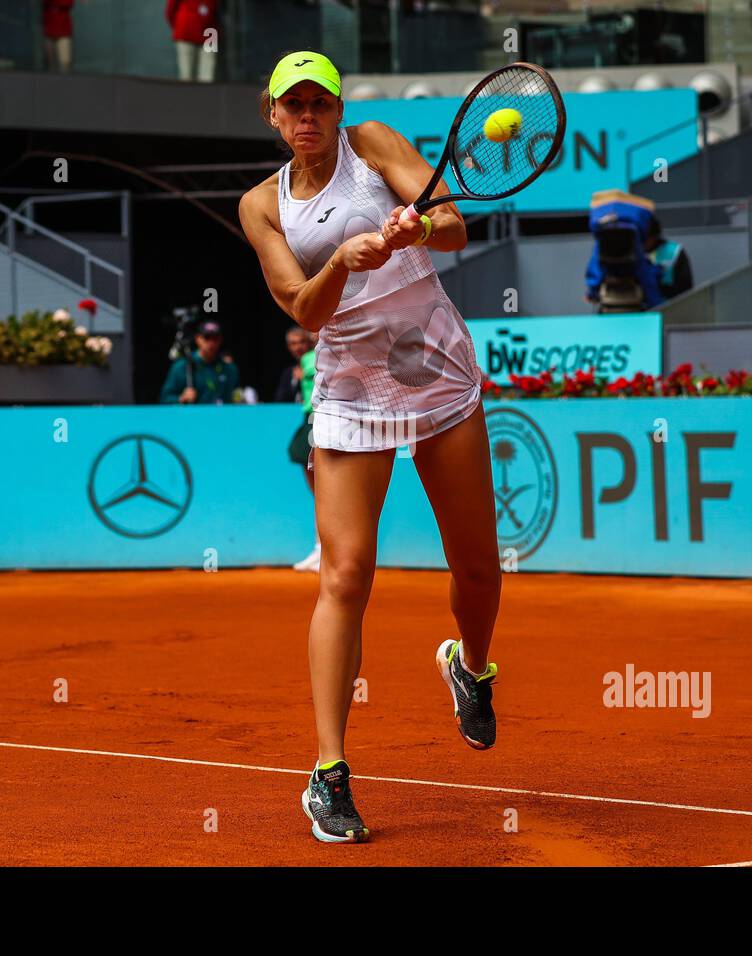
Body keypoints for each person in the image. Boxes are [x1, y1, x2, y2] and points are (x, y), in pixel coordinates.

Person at [238, 51, 501, 844]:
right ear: (274, 116)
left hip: (438, 375)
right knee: (346, 573)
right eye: (295, 106)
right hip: (352, 395)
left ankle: (471, 666)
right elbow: (300, 307)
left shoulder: (377, 146)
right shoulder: (262, 206)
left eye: (321, 103)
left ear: (338, 108)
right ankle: (329, 774)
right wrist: (348, 265)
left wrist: (419, 223)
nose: (309, 117)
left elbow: (455, 224)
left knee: (479, 566)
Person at [279, 327, 323, 573]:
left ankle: (324, 552)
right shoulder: (312, 357)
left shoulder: (313, 357)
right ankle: (320, 550)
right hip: (311, 418)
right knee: (320, 495)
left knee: (323, 495)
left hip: (318, 419)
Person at [159, 319, 240, 403]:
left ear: (220, 340)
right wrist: (181, 398)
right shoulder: (183, 366)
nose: (211, 343)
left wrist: (242, 397)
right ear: (198, 339)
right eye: (207, 337)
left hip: (222, 415)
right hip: (194, 415)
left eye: (215, 338)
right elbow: (164, 398)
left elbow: (236, 395)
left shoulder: (229, 368)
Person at [166, 0, 218, 83]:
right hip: (186, 30)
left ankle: (206, 95)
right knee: (186, 76)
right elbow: (170, 10)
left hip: (210, 32)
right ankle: (187, 96)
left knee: (208, 75)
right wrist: (179, 27)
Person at [643, 216, 693, 300]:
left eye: (645, 238)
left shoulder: (674, 251)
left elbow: (686, 288)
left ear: (654, 236)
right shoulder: (630, 252)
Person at [274, 326, 314, 402]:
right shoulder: (288, 373)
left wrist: (307, 378)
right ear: (288, 347)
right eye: (293, 343)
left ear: (309, 343)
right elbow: (280, 401)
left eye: (302, 342)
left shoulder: (319, 367)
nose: (298, 347)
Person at [42, 0, 75, 74]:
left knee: (65, 62)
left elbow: (68, 3)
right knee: (49, 62)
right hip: (49, 30)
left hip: (63, 30)